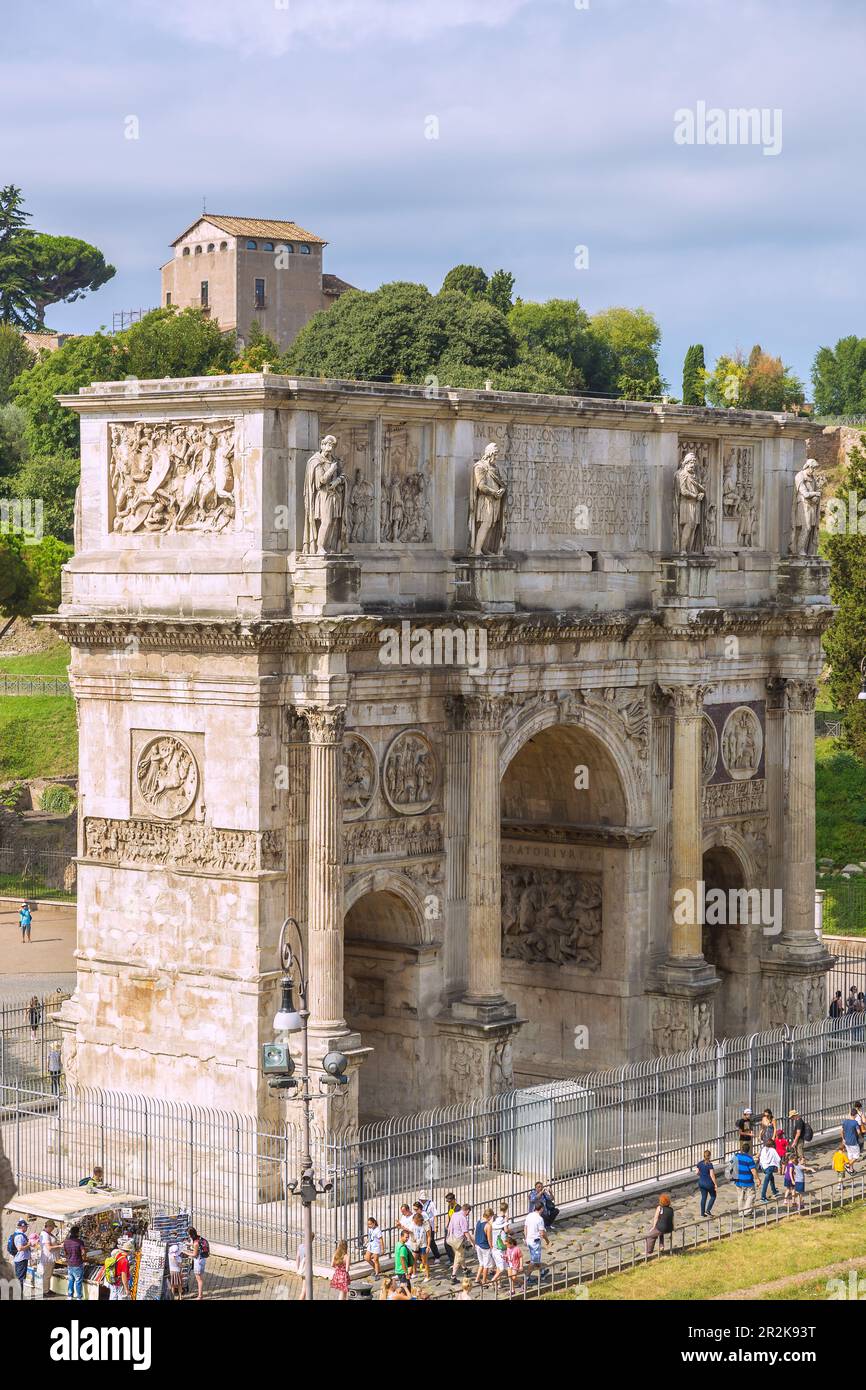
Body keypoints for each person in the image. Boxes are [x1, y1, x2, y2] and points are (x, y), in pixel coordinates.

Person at [446, 1203, 470, 1283]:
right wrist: (471, 1242)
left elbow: (450, 1226)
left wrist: (449, 1235)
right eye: (468, 1212)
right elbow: (465, 1232)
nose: (468, 1214)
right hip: (459, 1240)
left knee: (459, 1255)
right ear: (466, 1210)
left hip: (452, 1239)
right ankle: (453, 1276)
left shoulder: (454, 1215)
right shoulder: (463, 1218)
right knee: (458, 1258)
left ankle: (465, 1270)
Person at [38, 1219, 63, 1296]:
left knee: (48, 1275)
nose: (53, 1229)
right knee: (47, 1275)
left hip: (50, 1258)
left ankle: (47, 1289)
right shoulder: (45, 1235)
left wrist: (58, 1244)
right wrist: (60, 1246)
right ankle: (45, 1291)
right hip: (48, 1258)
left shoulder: (48, 1234)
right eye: (52, 1227)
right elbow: (49, 1247)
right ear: (49, 1226)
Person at [63, 1224, 86, 1301]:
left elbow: (65, 1253)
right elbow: (83, 1253)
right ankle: (79, 1296)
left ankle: (70, 1295)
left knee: (71, 1280)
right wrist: (84, 1258)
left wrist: (69, 1258)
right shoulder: (80, 1242)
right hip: (78, 1263)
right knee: (78, 1281)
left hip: (70, 1264)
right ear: (77, 1233)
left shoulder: (66, 1242)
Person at [524, 1204, 549, 1272]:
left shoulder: (529, 1215)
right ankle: (527, 1277)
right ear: (541, 1209)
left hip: (529, 1240)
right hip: (535, 1242)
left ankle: (542, 1272)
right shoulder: (540, 1219)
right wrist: (547, 1241)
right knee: (534, 1261)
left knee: (536, 1258)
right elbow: (542, 1233)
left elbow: (525, 1227)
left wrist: (526, 1238)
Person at [489, 1201, 510, 1285]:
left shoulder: (494, 1217)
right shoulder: (505, 1217)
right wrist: (510, 1231)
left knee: (498, 1264)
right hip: (501, 1243)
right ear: (506, 1209)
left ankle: (499, 1282)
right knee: (501, 1266)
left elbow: (490, 1226)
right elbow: (506, 1230)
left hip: (494, 1242)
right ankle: (493, 1281)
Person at [732, 1145, 757, 1214]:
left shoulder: (736, 1156)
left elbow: (731, 1165)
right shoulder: (749, 1159)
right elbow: (753, 1170)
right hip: (747, 1181)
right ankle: (747, 1211)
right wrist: (757, 1179)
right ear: (748, 1150)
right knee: (751, 1195)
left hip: (738, 1180)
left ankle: (741, 1211)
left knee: (740, 1196)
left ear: (741, 1149)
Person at [473, 1208, 495, 1287]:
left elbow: (475, 1233)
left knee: (481, 1263)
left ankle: (477, 1278)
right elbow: (489, 1239)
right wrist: (492, 1247)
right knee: (486, 1265)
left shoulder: (478, 1222)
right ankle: (484, 1281)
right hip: (485, 1247)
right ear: (489, 1216)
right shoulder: (488, 1226)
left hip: (478, 1245)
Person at [417, 1192, 440, 1261]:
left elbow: (435, 1215)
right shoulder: (418, 1203)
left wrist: (436, 1226)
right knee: (421, 1242)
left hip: (430, 1226)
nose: (422, 1200)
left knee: (431, 1241)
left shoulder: (431, 1204)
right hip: (421, 1226)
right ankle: (421, 1258)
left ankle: (437, 1256)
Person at [409, 1210, 432, 1283]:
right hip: (415, 1244)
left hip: (423, 1244)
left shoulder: (425, 1225)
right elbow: (410, 1231)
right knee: (414, 1259)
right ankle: (414, 1273)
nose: (415, 1223)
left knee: (424, 1261)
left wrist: (428, 1246)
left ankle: (427, 1276)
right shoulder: (413, 1224)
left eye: (416, 1221)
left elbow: (429, 1236)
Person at [186, 1227, 208, 1301]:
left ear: (191, 1234)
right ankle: (199, 1293)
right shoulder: (198, 1238)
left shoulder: (195, 1243)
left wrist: (186, 1252)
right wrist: (188, 1244)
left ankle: (200, 1296)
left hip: (198, 1261)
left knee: (199, 1279)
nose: (188, 1236)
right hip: (202, 1259)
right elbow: (194, 1244)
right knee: (199, 1278)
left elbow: (194, 1254)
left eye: (188, 1235)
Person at [10, 1219, 30, 1293]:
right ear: (22, 1227)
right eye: (26, 1226)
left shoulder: (19, 1235)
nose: (27, 1228)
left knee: (20, 1277)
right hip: (21, 1259)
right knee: (20, 1278)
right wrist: (29, 1244)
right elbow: (20, 1248)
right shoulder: (19, 1236)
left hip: (20, 1259)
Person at [696, 1149, 717, 1216]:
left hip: (701, 1183)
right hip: (709, 1184)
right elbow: (712, 1175)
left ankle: (702, 1213)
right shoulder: (710, 1164)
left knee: (703, 1197)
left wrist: (701, 1175)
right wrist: (715, 1184)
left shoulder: (699, 1163)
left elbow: (697, 1172)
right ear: (710, 1156)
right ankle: (708, 1210)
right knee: (713, 1196)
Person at [394, 1226, 414, 1291]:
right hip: (403, 1271)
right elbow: (402, 1260)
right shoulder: (403, 1248)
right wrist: (406, 1273)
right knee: (407, 1289)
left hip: (398, 1270)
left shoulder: (397, 1244)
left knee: (403, 1287)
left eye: (408, 1237)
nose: (407, 1239)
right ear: (401, 1236)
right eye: (406, 1237)